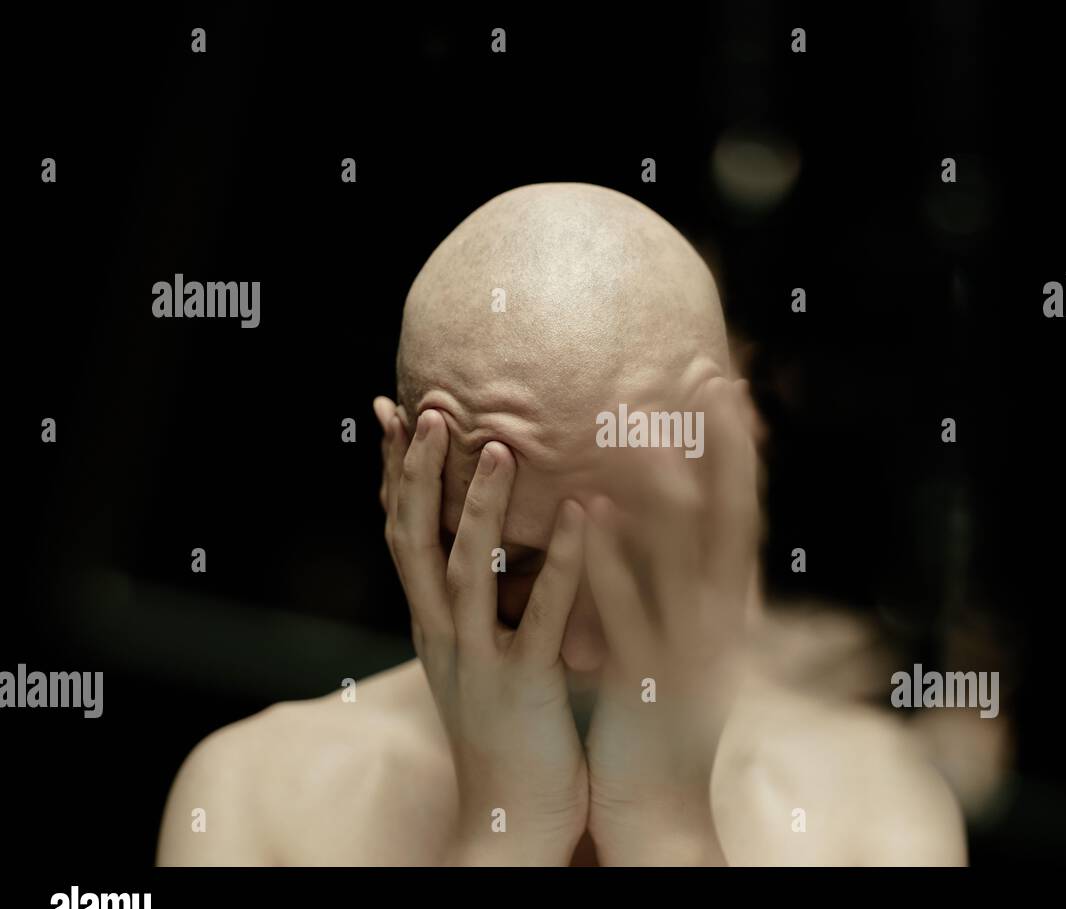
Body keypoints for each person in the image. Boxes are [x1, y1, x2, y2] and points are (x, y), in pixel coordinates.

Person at [156, 182, 966, 866]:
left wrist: (667, 833)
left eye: (629, 560)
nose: (573, 648)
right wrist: (502, 835)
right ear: (400, 489)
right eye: (510, 571)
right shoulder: (252, 798)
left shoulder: (874, 817)